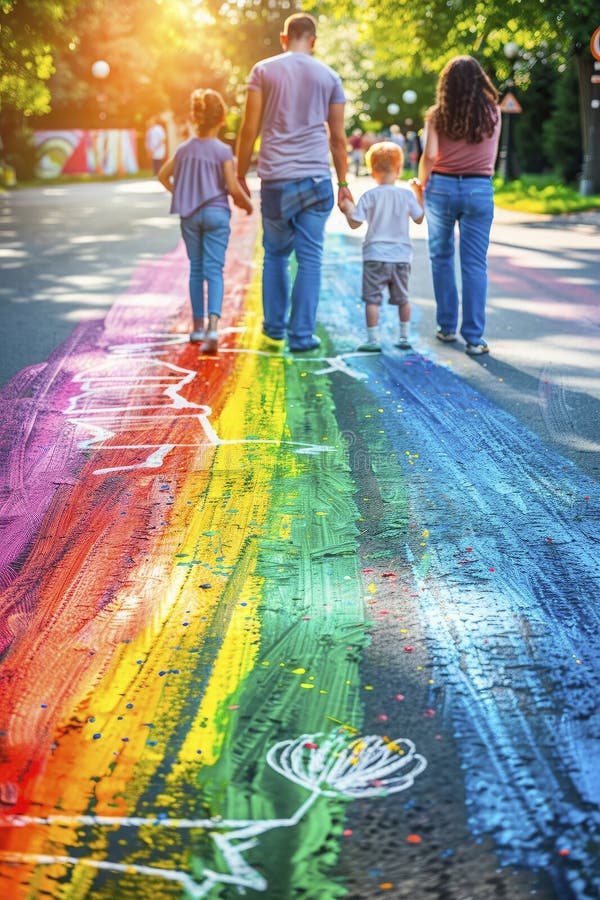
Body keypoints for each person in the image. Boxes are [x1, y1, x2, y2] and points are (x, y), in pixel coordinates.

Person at [236, 12, 352, 352]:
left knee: (275, 255)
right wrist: (344, 182)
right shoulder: (330, 76)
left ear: (284, 38)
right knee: (310, 259)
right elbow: (339, 139)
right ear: (313, 42)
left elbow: (248, 129)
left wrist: (240, 174)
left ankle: (274, 328)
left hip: (275, 180)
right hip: (316, 179)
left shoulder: (263, 70)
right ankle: (302, 336)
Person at [158, 89, 253, 353]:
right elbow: (233, 188)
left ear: (195, 117)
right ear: (221, 118)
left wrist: (181, 193)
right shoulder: (223, 151)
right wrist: (247, 204)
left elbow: (163, 176)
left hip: (189, 216)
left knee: (196, 269)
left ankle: (197, 327)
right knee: (215, 271)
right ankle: (213, 328)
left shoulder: (183, 150)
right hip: (216, 214)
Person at [417, 56, 501, 355]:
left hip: (441, 188)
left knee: (441, 257)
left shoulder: (437, 115)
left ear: (446, 83)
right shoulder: (493, 113)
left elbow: (430, 155)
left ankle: (446, 326)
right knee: (475, 263)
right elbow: (491, 155)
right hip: (479, 188)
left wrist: (420, 183)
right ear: (480, 80)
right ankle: (475, 338)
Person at [341, 141, 423, 352]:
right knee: (403, 298)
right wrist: (418, 193)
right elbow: (419, 218)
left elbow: (354, 222)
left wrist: (347, 207)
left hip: (374, 255)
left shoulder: (370, 196)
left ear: (372, 171)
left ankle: (373, 340)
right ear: (398, 169)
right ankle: (404, 337)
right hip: (401, 256)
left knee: (372, 299)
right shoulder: (406, 195)